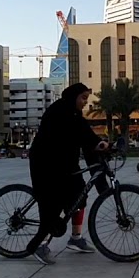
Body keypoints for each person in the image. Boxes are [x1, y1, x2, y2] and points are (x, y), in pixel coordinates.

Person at [26, 83, 109, 264]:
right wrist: (93, 142)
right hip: (46, 163)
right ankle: (39, 245)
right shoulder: (60, 111)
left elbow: (84, 132)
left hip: (64, 163)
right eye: (83, 98)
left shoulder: (74, 113)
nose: (85, 102)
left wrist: (98, 143)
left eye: (87, 98)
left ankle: (76, 238)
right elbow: (77, 134)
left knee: (79, 195)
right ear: (73, 97)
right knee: (52, 203)